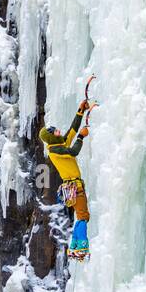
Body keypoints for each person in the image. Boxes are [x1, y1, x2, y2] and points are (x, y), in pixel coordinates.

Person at [38, 100, 92, 259]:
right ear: (50, 136)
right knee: (83, 216)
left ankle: (75, 248)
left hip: (72, 188)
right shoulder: (56, 149)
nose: (58, 131)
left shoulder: (58, 146)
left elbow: (72, 131)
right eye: (54, 131)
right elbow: (74, 151)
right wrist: (81, 137)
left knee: (81, 216)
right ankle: (80, 248)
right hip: (75, 187)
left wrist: (80, 111)